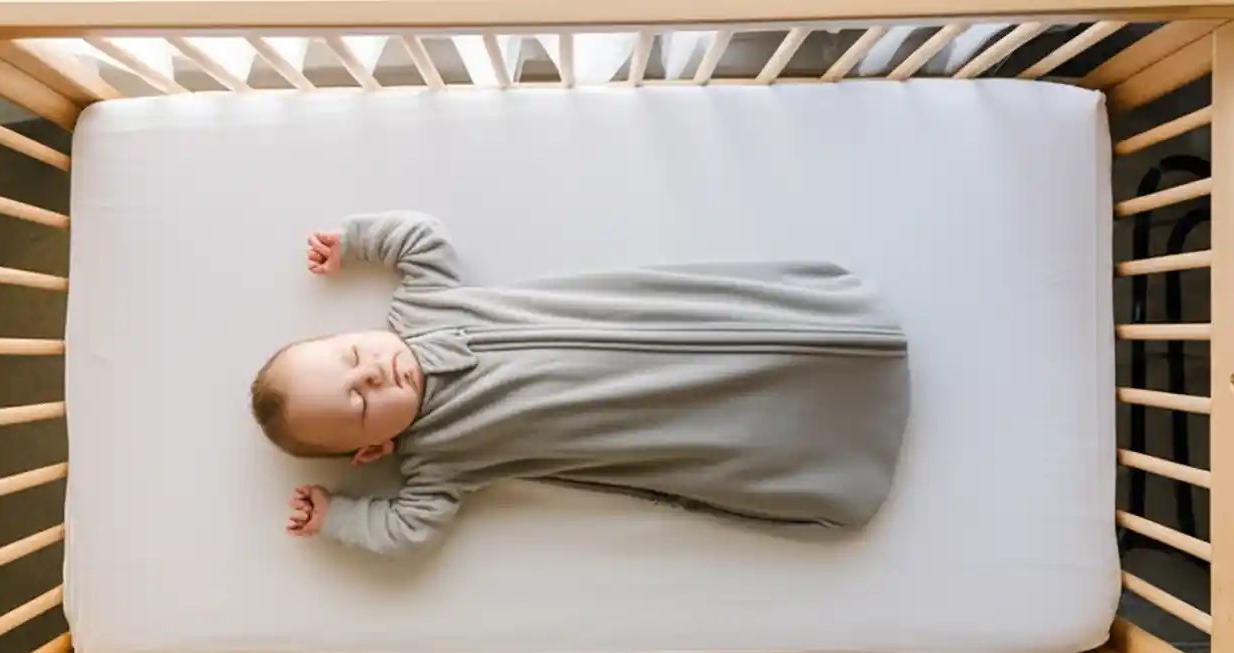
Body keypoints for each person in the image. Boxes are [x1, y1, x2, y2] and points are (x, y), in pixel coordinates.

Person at [251, 211, 910, 556]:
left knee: (731, 331)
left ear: (353, 333)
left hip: (645, 324)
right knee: (724, 415)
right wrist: (341, 517)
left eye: (351, 355)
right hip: (640, 415)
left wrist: (357, 241)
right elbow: (407, 534)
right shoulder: (434, 462)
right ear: (372, 453)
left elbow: (420, 237)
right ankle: (837, 443)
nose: (370, 372)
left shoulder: (423, 307)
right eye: (361, 402)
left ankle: (838, 331)